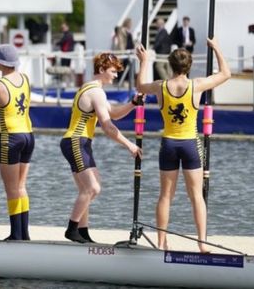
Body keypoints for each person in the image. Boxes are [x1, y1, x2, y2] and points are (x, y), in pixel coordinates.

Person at [135, 38, 230, 252]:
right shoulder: (197, 85)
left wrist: (144, 61)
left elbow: (139, 86)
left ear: (171, 65)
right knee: (196, 196)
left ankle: (161, 243)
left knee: (165, 196)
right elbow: (226, 74)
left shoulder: (160, 86)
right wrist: (216, 47)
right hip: (190, 145)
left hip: (168, 145)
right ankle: (202, 243)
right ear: (189, 66)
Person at [61, 52, 142, 243]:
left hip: (80, 142)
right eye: (113, 71)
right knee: (92, 188)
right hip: (76, 141)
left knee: (88, 189)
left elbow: (113, 113)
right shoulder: (96, 92)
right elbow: (107, 126)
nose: (116, 75)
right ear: (101, 69)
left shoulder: (93, 88)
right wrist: (130, 145)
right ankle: (72, 230)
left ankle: (83, 233)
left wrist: (133, 104)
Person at [0, 45, 34, 240]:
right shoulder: (25, 79)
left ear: (0, 64)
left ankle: (15, 234)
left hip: (10, 138)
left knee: (12, 189)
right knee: (21, 186)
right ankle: (24, 234)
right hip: (28, 135)